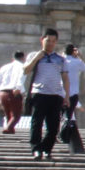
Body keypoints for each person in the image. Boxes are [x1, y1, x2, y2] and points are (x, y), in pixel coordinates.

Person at [24, 31, 71, 159]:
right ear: (42, 40)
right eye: (47, 40)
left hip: (56, 94)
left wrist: (66, 96)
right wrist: (36, 58)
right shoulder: (34, 55)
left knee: (53, 125)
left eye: (53, 41)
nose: (50, 43)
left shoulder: (61, 59)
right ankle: (35, 148)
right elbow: (25, 70)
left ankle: (46, 148)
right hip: (39, 93)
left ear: (56, 42)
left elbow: (66, 78)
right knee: (36, 122)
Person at [60, 44, 85, 154]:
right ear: (73, 52)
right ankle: (67, 138)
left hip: (60, 93)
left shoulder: (61, 61)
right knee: (69, 117)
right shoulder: (77, 62)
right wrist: (79, 56)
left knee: (65, 116)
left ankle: (67, 138)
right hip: (73, 93)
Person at [0, 51, 27, 131]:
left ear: (13, 58)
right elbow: (21, 78)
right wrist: (18, 88)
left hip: (2, 92)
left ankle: (10, 130)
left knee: (8, 114)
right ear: (23, 58)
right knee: (16, 115)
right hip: (14, 91)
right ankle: (8, 128)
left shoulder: (5, 67)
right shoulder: (22, 66)